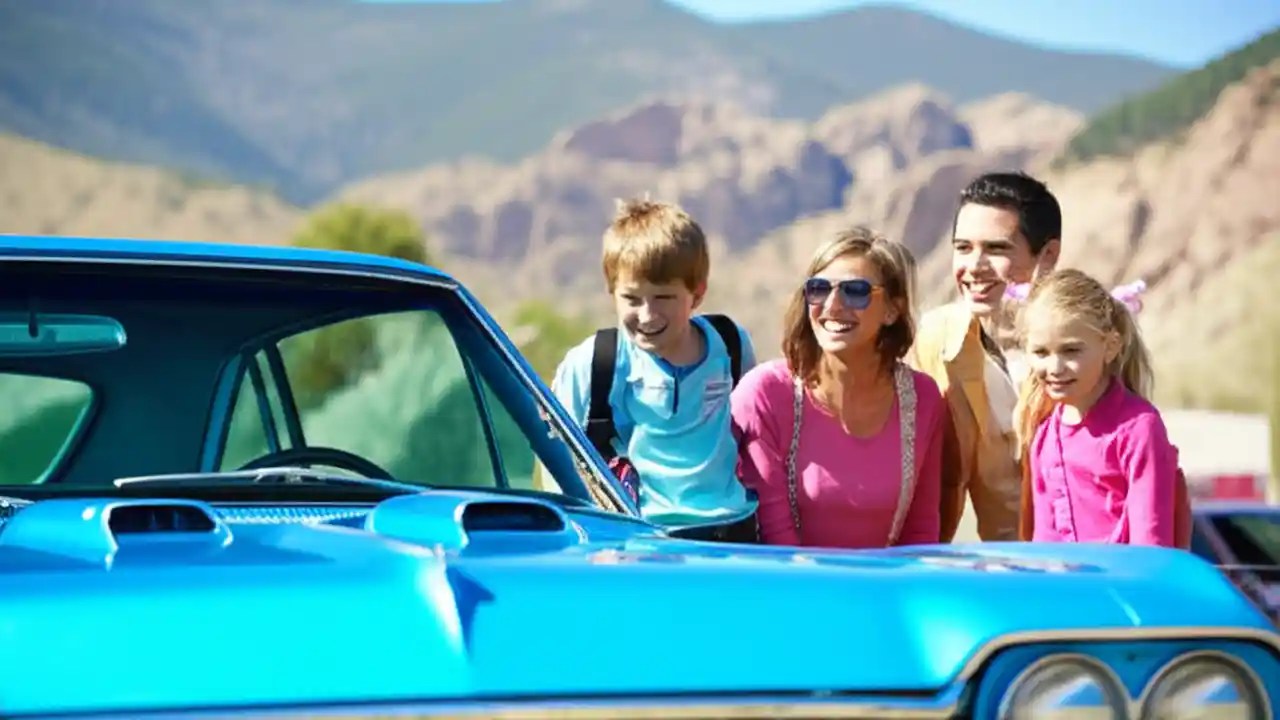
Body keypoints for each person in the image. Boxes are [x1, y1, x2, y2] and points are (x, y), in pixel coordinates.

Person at [551, 197, 759, 542]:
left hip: (732, 533)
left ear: (697, 293)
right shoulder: (595, 362)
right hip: (639, 540)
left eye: (664, 298)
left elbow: (755, 433)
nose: (647, 315)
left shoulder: (731, 346)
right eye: (632, 299)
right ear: (611, 293)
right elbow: (555, 456)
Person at [730, 227, 944, 548]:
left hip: (885, 592)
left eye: (854, 291)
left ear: (892, 309)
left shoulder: (923, 400)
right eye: (818, 289)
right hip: (790, 588)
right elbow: (776, 541)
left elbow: (921, 532)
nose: (832, 305)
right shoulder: (766, 394)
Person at [909, 172, 1062, 542]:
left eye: (996, 249)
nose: (974, 266)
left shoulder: (1085, 337)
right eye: (963, 248)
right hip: (995, 569)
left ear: (1048, 255)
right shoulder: (936, 338)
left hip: (1082, 563)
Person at [1014, 268, 1182, 546]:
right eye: (1041, 352)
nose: (1054, 368)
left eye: (1071, 350)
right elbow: (1044, 544)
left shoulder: (1138, 429)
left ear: (1111, 346)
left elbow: (1151, 546)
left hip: (1123, 588)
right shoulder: (1044, 436)